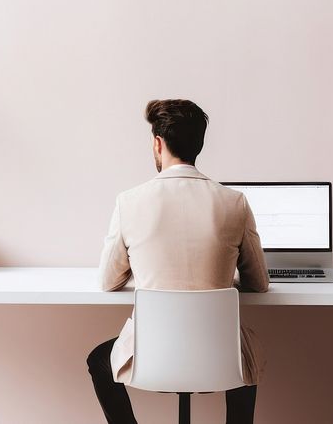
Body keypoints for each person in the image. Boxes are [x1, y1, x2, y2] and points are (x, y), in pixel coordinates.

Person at [87, 99, 269, 424]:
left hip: (153, 355)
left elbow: (107, 281)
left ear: (158, 144)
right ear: (199, 144)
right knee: (241, 353)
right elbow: (258, 283)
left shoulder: (129, 202)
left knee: (99, 360)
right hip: (218, 355)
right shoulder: (234, 202)